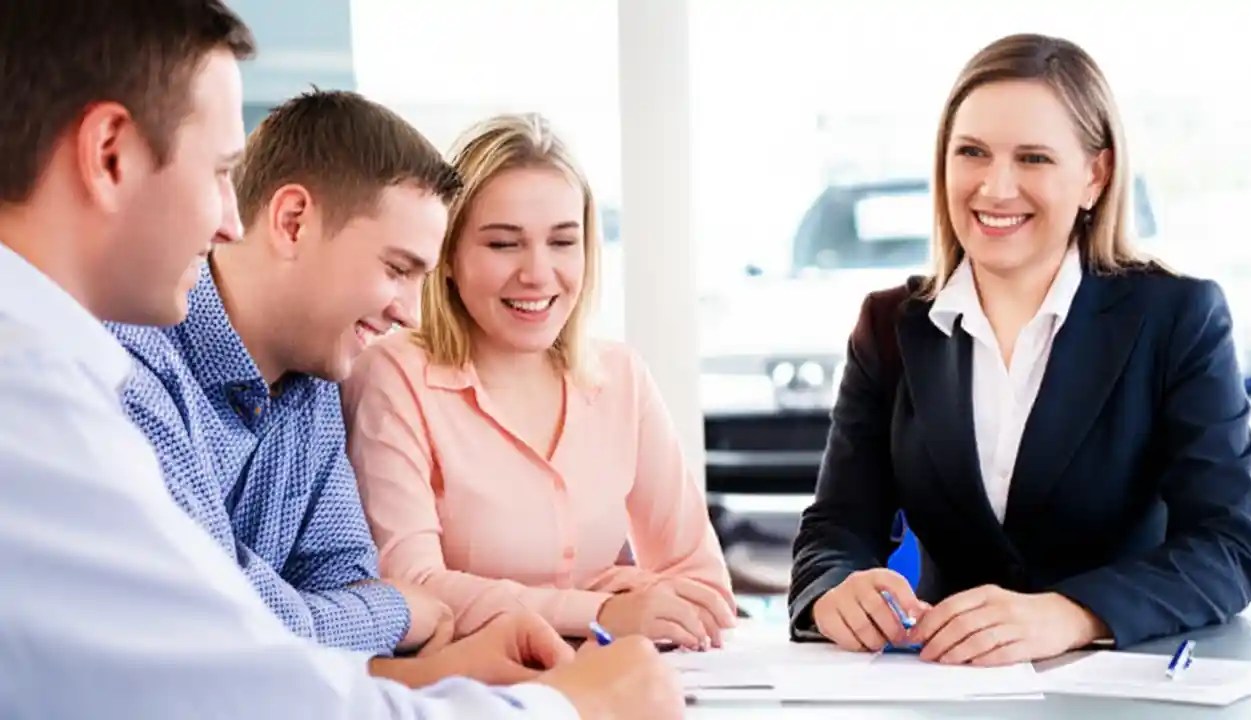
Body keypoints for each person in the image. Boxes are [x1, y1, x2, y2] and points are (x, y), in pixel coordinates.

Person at [0, 2, 683, 718]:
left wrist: (424, 664)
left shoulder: (313, 379)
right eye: (221, 172)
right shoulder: (62, 386)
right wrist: (572, 709)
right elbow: (234, 647)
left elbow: (305, 617)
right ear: (110, 152)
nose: (229, 222)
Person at [788, 32, 1251, 666]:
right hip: (948, 690)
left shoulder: (1175, 318)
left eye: (1034, 158)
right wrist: (836, 589)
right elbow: (836, 529)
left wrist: (1071, 614)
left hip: (1127, 688)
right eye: (973, 153)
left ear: (1094, 175)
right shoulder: (890, 327)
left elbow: (1226, 545)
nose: (995, 187)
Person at [109, 87, 511, 680]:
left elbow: (340, 578)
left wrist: (349, 614)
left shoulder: (317, 379)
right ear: (293, 221)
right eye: (397, 270)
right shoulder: (132, 360)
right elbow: (220, 618)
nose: (412, 313)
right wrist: (398, 610)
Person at [341, 113, 736, 651]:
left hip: (618, 685)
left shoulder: (622, 378)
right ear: (448, 256)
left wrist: (642, 595)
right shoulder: (392, 376)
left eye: (562, 242)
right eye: (504, 244)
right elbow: (411, 588)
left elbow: (704, 588)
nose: (537, 273)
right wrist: (602, 610)